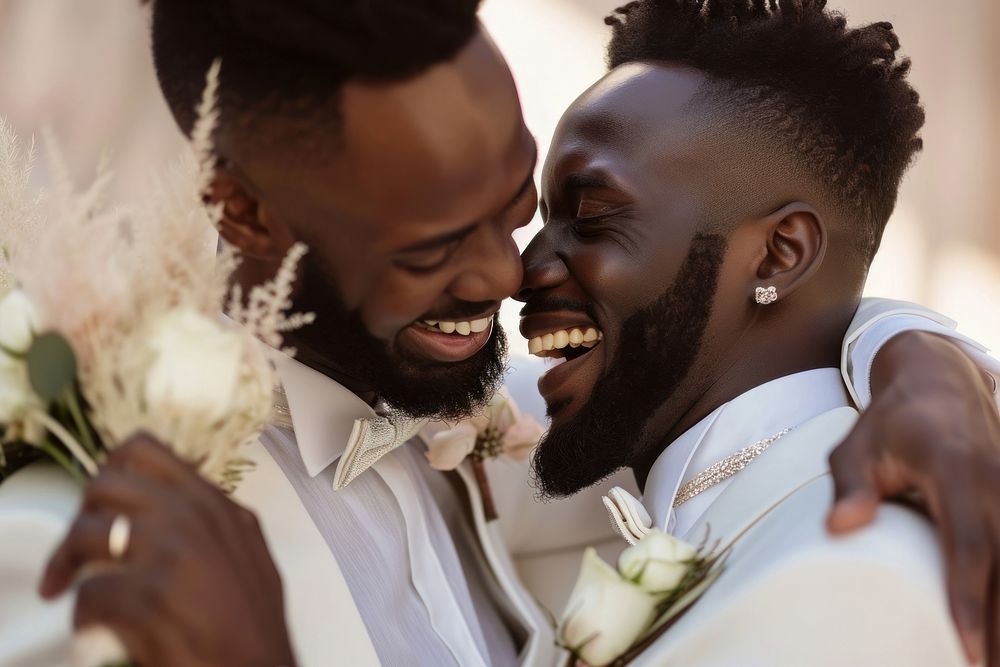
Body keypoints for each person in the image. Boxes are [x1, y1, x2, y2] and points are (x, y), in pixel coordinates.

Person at [0, 0, 998, 665]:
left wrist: (916, 359)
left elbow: (733, 344)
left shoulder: (479, 422)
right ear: (246, 214)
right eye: (430, 246)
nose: (505, 273)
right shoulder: (84, 516)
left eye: (518, 206)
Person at [517, 1, 1000, 664]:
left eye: (593, 218)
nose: (524, 270)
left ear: (779, 255)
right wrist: (907, 343)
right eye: (546, 218)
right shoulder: (704, 486)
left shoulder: (854, 578)